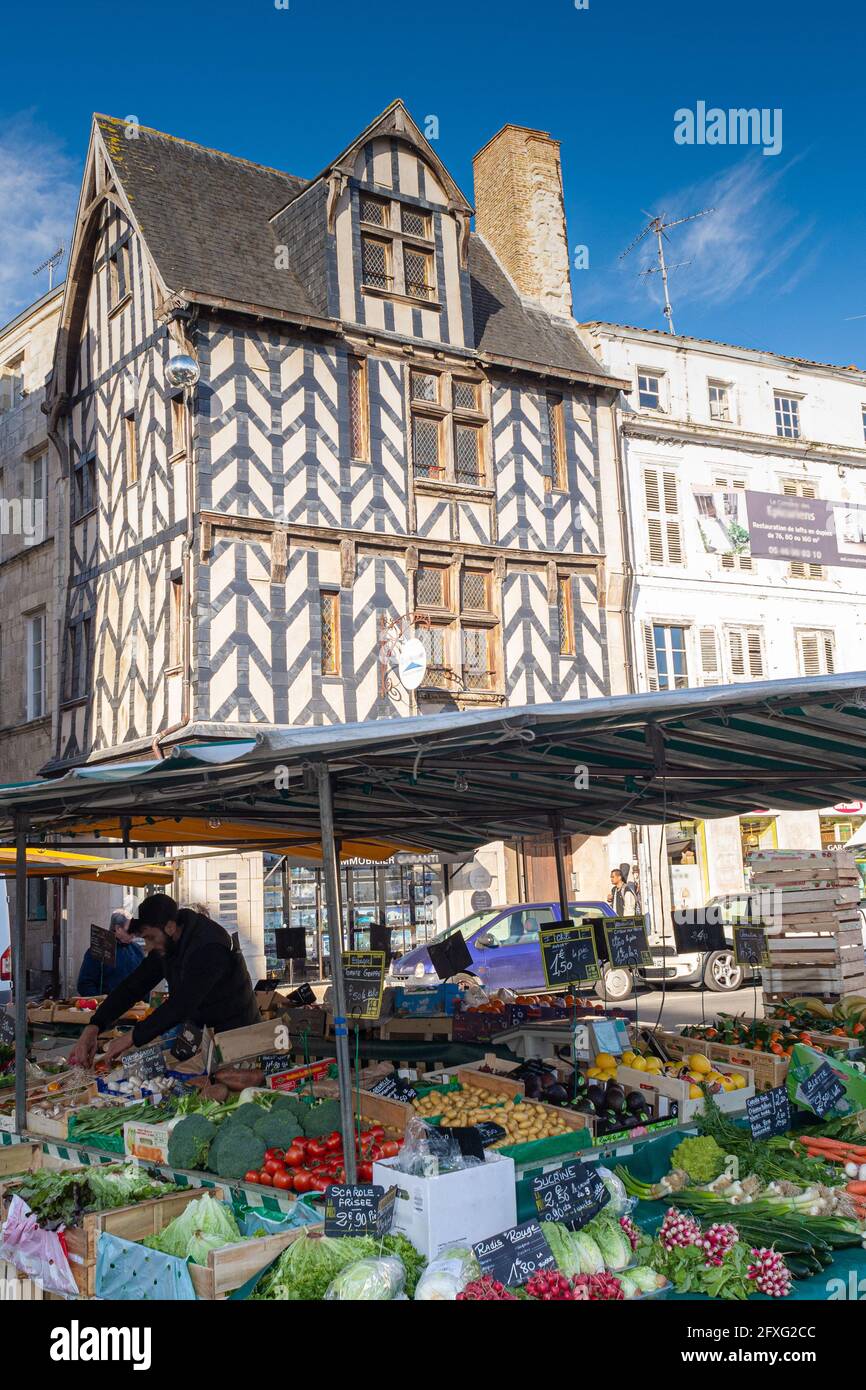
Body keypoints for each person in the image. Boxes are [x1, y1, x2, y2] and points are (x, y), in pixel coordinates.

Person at [68, 894, 259, 1068]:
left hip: (238, 1033)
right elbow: (134, 985)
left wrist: (132, 1037)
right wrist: (95, 1026)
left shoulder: (210, 945)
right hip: (204, 1033)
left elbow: (182, 1004)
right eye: (145, 939)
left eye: (151, 938)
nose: (149, 946)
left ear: (170, 927)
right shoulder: (168, 942)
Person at [76, 911, 144, 995]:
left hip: (137, 1005)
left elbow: (143, 979)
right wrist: (101, 1003)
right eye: (130, 929)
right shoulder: (98, 949)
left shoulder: (137, 950)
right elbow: (85, 984)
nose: (134, 933)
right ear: (118, 928)